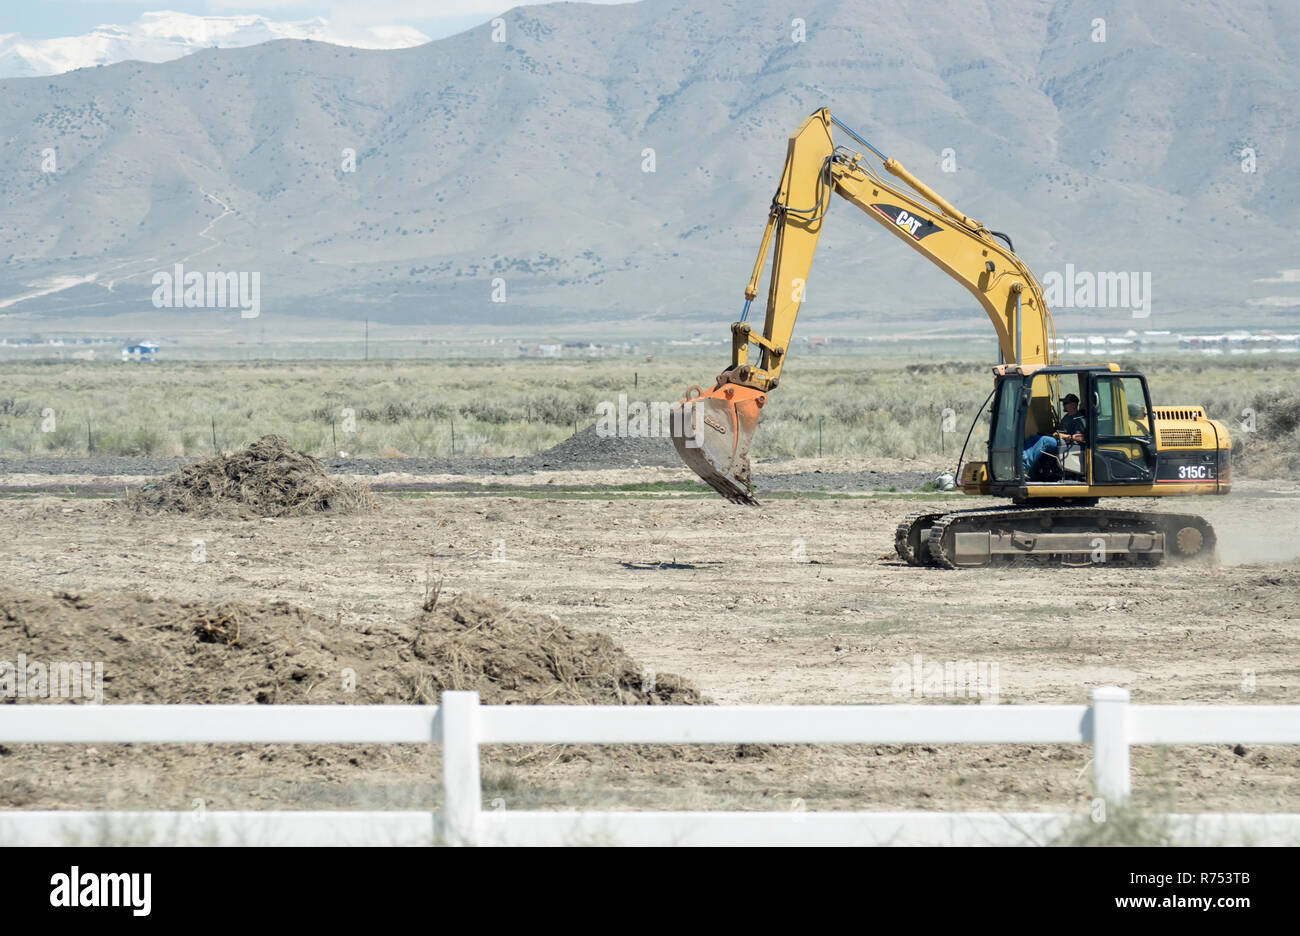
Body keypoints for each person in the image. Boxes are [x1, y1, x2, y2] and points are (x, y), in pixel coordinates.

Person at [1022, 393, 1088, 476]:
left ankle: (1024, 467)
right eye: (1065, 404)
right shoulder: (1066, 417)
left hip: (1067, 444)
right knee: (1033, 437)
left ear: (1074, 404)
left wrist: (1066, 436)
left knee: (1044, 440)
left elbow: (1081, 438)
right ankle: (1020, 461)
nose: (1065, 406)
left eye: (1067, 403)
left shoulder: (1080, 419)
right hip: (1058, 439)